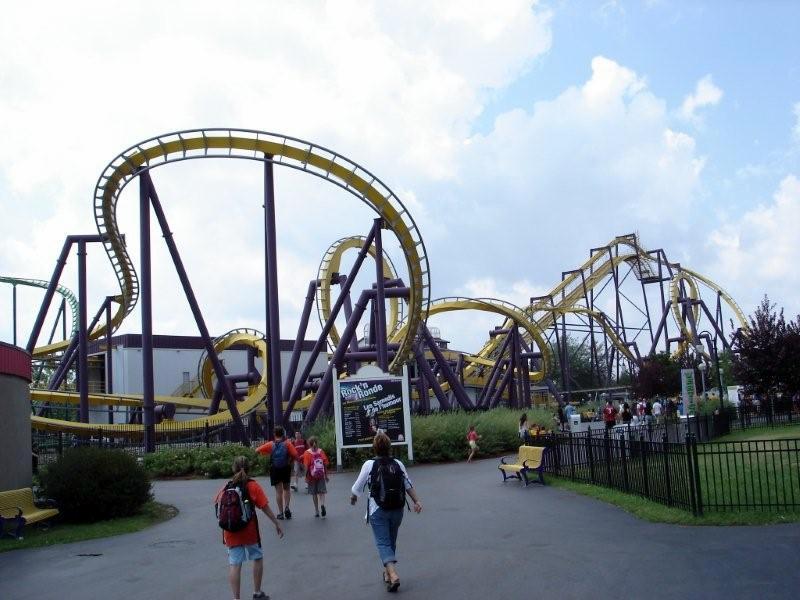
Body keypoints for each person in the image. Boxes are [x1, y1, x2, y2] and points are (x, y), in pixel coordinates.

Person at [350, 432, 422, 593]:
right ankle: (387, 573)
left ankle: (393, 574)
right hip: (397, 508)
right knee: (391, 541)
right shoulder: (398, 463)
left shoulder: (369, 465)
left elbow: (357, 487)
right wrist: (417, 501)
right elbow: (407, 484)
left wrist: (353, 498)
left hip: (378, 509)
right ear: (390, 447)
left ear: (374, 448)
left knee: (383, 542)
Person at [214, 456, 283, 600]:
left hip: (231, 532)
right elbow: (264, 506)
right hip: (249, 531)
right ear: (249, 467)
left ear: (233, 468)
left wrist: (224, 533)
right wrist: (276, 523)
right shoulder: (252, 485)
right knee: (257, 557)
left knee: (234, 564)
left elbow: (220, 509)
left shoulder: (226, 487)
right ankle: (257, 593)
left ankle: (236, 598)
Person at [256, 426, 299, 520]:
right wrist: (292, 461)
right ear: (283, 434)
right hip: (286, 468)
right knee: (286, 489)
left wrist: (267, 453)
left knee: (278, 492)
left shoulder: (271, 444)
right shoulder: (287, 444)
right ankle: (287, 507)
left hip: (275, 469)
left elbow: (257, 450)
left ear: (274, 434)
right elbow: (295, 454)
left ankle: (280, 513)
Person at [302, 436, 330, 518]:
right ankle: (322, 505)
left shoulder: (307, 453)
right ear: (316, 443)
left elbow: (306, 467)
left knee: (314, 493)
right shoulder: (321, 451)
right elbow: (325, 464)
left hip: (312, 476)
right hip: (321, 475)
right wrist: (326, 475)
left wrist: (306, 477)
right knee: (321, 492)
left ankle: (317, 511)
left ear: (309, 444)